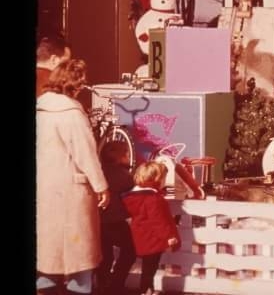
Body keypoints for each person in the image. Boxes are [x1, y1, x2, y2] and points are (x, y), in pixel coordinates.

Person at [36, 59, 110, 295]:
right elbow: (86, 155)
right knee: (80, 259)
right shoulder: (72, 114)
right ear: (74, 85)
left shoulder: (40, 110)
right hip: (72, 192)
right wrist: (101, 187)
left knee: (48, 257)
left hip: (45, 191)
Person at [122, 161, 181, 295]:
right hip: (153, 238)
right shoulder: (153, 198)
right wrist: (169, 236)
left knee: (141, 266)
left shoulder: (130, 196)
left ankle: (142, 288)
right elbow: (158, 221)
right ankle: (147, 290)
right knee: (150, 267)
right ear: (156, 179)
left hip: (139, 235)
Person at [96, 141, 137, 295]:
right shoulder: (124, 176)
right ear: (120, 157)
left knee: (104, 257)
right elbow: (132, 197)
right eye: (126, 154)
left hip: (99, 221)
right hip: (116, 221)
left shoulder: (99, 172)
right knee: (130, 249)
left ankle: (103, 285)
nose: (128, 157)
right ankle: (116, 282)